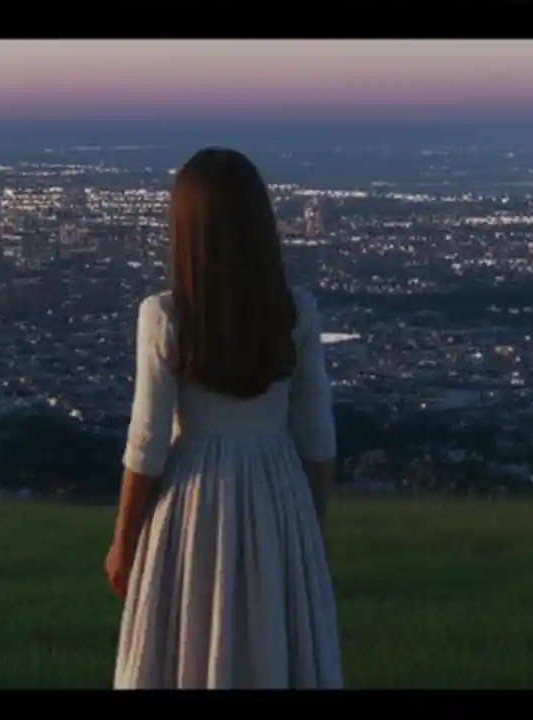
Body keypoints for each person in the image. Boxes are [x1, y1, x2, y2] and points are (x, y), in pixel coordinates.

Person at [104, 148, 342, 689]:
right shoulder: (296, 312)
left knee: (187, 644)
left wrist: (124, 541)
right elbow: (317, 437)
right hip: (279, 491)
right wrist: (311, 528)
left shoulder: (164, 317)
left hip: (193, 500)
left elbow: (147, 444)